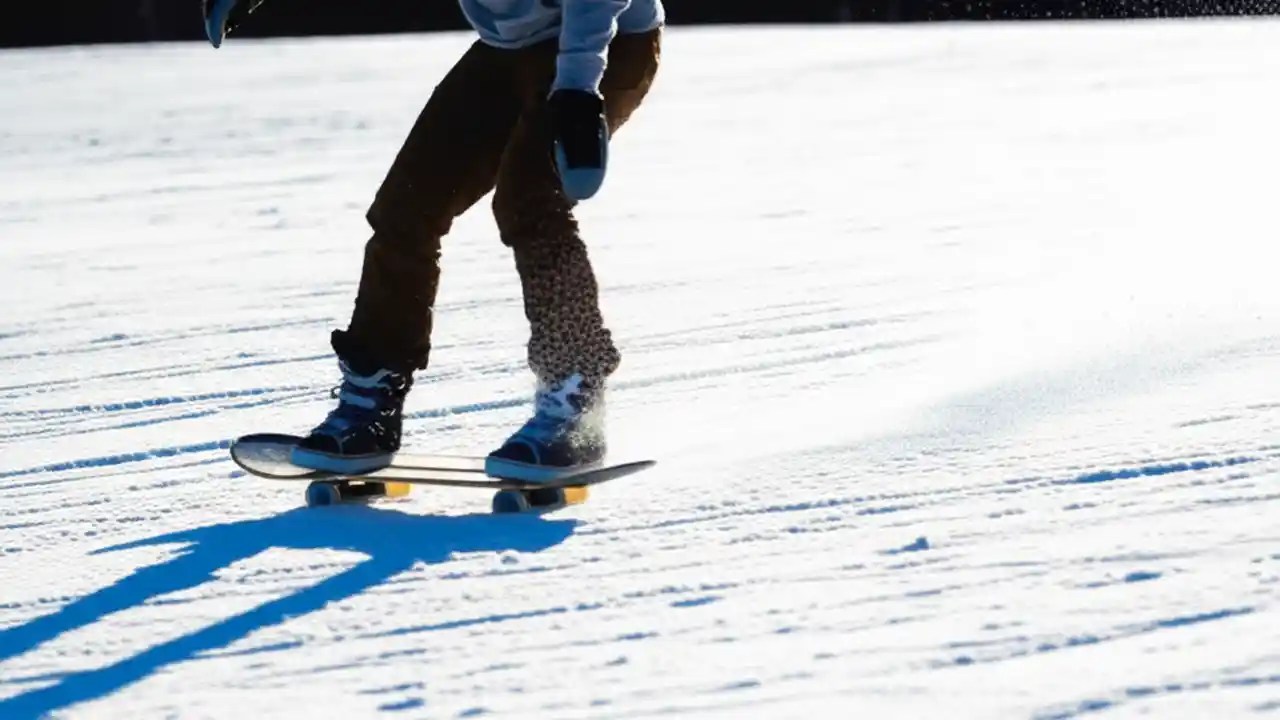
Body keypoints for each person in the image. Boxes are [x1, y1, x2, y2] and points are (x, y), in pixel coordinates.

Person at [204, 1, 665, 481]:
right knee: (407, 207)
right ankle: (372, 403)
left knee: (529, 201)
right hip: (510, 48)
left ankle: (576, 400)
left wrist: (575, 90)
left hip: (603, 40)